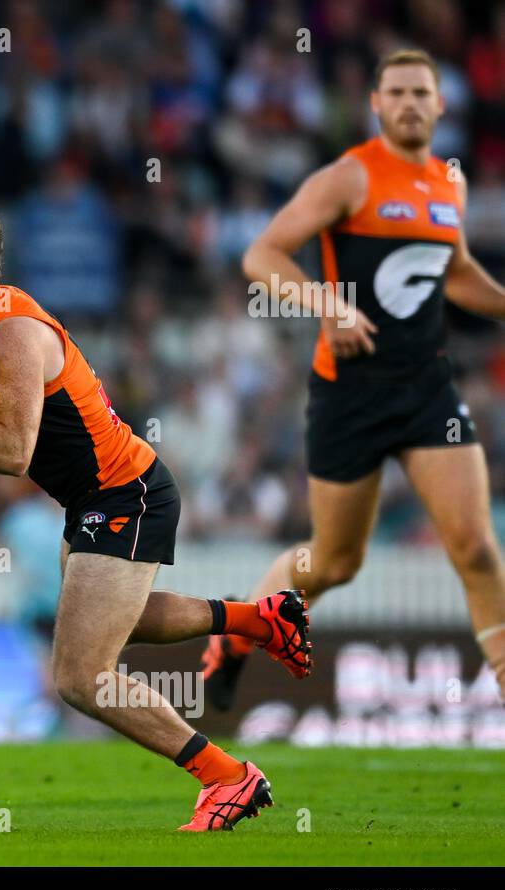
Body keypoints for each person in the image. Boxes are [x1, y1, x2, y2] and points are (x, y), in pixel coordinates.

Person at [0, 196, 311, 831]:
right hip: (102, 498)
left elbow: (7, 454)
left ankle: (229, 776)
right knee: (109, 623)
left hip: (126, 495)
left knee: (80, 676)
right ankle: (257, 620)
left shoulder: (9, 328)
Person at [203, 49, 505, 709]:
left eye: (420, 92)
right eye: (394, 92)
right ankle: (235, 635)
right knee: (334, 563)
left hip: (428, 389)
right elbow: (262, 254)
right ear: (375, 104)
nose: (408, 103)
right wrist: (326, 306)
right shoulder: (350, 177)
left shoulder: (447, 185)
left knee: (477, 545)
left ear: (441, 103)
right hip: (350, 392)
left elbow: (452, 272)